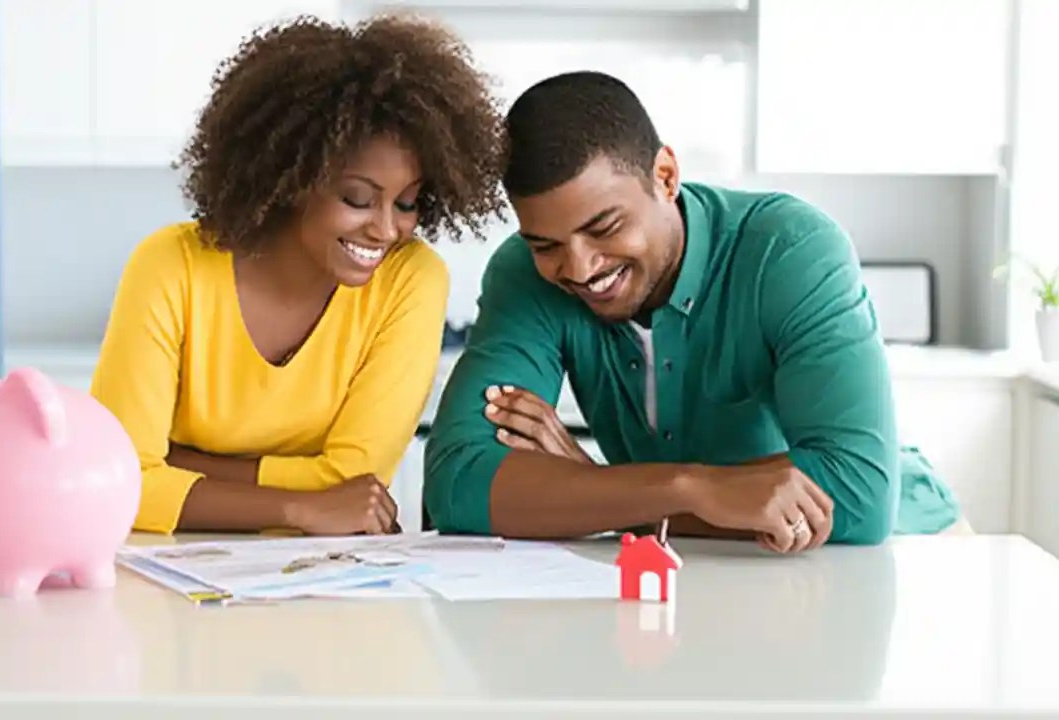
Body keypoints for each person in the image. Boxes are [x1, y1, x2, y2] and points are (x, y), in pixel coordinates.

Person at [424, 71, 962, 551]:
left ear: (665, 174)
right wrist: (690, 491)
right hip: (702, 564)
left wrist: (597, 494)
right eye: (546, 245)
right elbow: (457, 486)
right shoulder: (524, 274)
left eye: (606, 227)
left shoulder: (790, 250)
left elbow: (857, 492)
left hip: (905, 552)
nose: (580, 267)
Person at [90, 14, 507, 536]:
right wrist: (298, 507)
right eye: (357, 199)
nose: (385, 229)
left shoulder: (411, 280)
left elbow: (356, 478)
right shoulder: (171, 267)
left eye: (406, 202)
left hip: (323, 587)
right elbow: (115, 480)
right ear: (291, 178)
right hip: (163, 579)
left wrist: (178, 465)